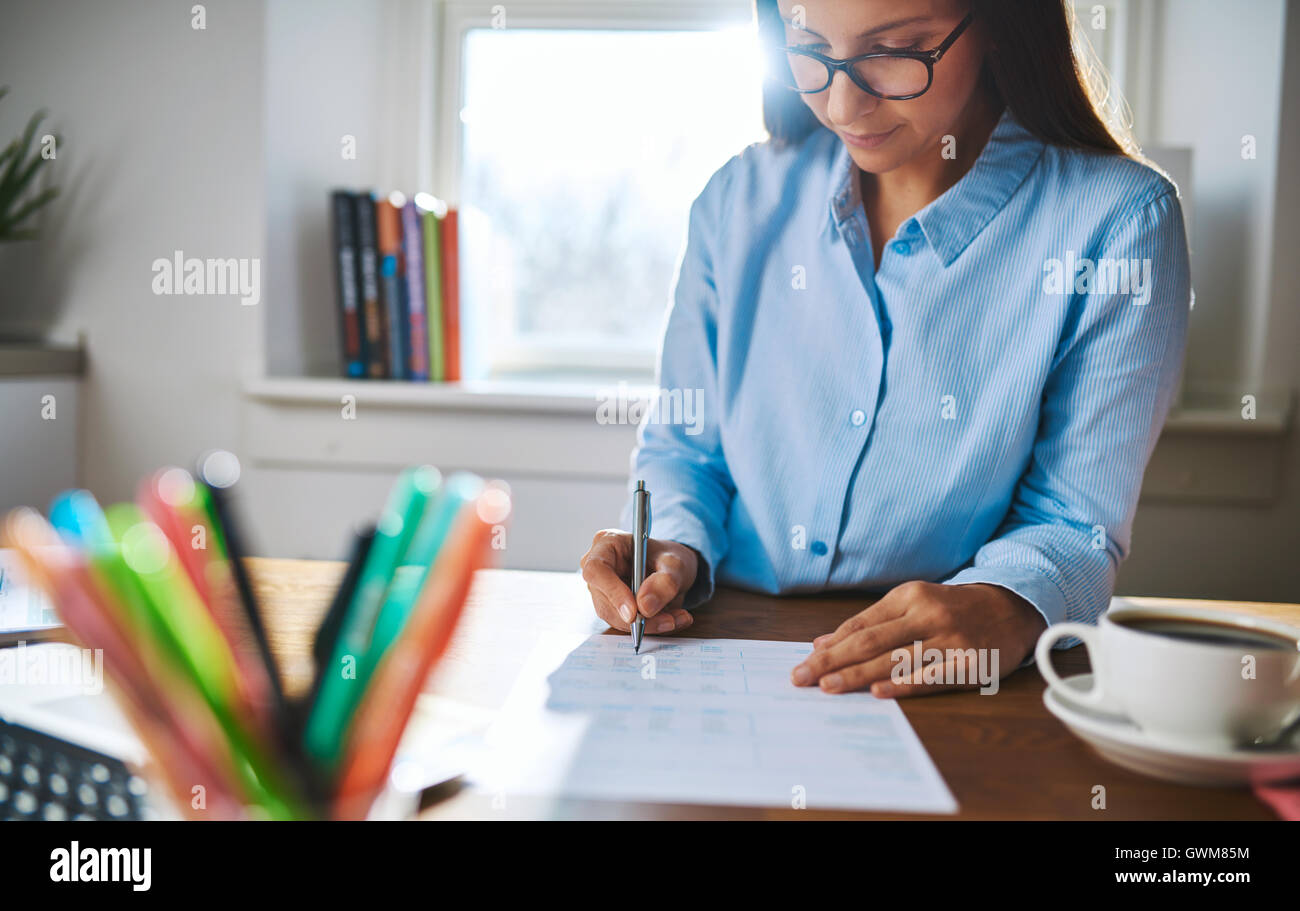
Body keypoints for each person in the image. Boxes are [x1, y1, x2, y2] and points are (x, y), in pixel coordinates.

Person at [579, 0, 1190, 698]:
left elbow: (1074, 520)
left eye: (896, 49)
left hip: (953, 683)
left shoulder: (1118, 224)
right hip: (714, 645)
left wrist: (1010, 603)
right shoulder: (737, 201)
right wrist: (670, 545)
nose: (842, 104)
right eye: (807, 45)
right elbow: (688, 449)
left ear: (999, 23)